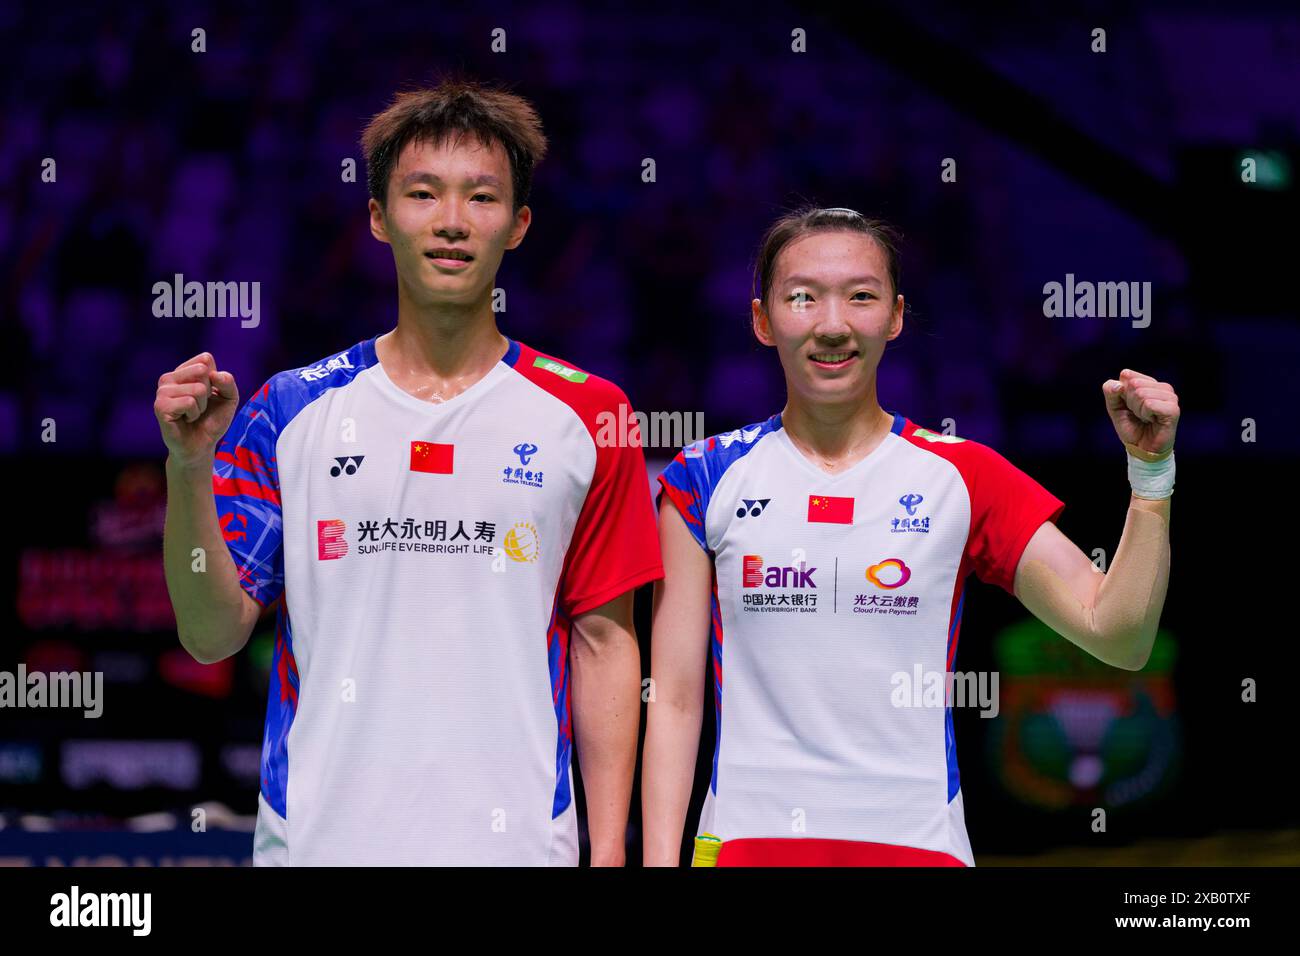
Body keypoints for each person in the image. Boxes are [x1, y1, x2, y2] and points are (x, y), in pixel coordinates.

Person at [154, 79, 663, 865]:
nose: (452, 221)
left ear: (519, 224)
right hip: (318, 843)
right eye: (422, 193)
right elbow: (212, 636)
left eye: (482, 198)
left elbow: (605, 645)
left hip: (521, 844)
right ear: (378, 218)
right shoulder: (288, 409)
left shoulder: (591, 416)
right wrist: (188, 467)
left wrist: (609, 853)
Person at [643, 206, 1177, 866]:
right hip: (748, 844)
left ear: (895, 316)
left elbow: (1117, 636)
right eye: (802, 297)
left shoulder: (965, 476)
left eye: (860, 297)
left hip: (918, 847)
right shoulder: (705, 477)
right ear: (762, 319)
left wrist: (1151, 474)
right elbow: (672, 699)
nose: (832, 324)